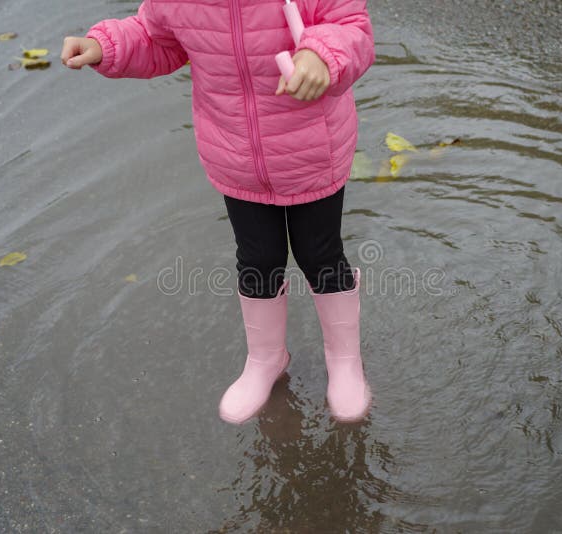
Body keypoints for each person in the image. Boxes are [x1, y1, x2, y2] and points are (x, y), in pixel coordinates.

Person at [60, 0, 374, 424]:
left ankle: (344, 360)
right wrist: (106, 45)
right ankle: (266, 358)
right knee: (258, 257)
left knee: (320, 253)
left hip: (311, 151)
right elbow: (157, 38)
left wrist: (322, 53)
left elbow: (351, 27)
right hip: (235, 155)